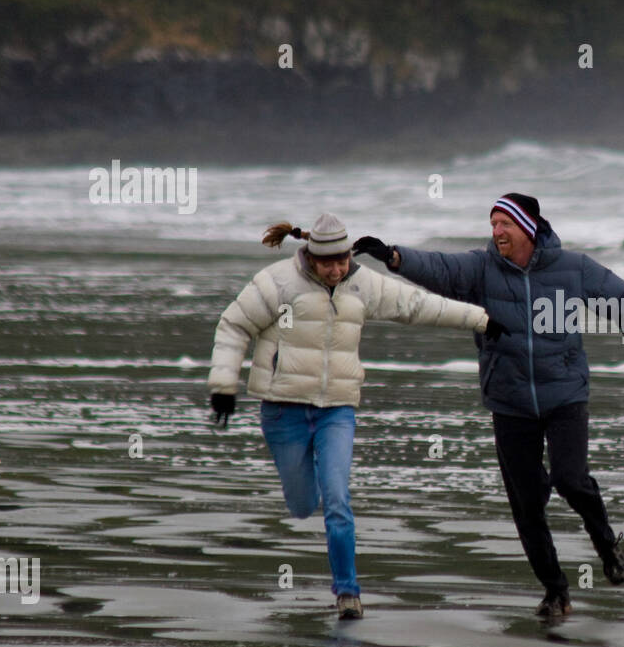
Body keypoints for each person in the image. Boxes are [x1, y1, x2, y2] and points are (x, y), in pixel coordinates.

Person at [353, 193, 624, 619]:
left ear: (529, 227)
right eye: (493, 224)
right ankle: (555, 591)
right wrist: (393, 257)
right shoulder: (481, 268)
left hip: (564, 395)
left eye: (504, 224)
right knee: (526, 501)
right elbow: (438, 268)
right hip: (510, 400)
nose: (496, 232)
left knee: (571, 479)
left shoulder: (573, 268)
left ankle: (605, 542)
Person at [207, 213, 506, 620]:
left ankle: (348, 592)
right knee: (300, 504)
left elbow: (417, 305)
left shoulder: (362, 284)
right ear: (309, 256)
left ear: (350, 255)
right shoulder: (277, 283)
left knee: (337, 501)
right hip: (283, 408)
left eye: (342, 260)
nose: (335, 270)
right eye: (326, 262)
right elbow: (234, 325)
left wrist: (481, 318)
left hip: (337, 411)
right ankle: (305, 500)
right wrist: (223, 385)